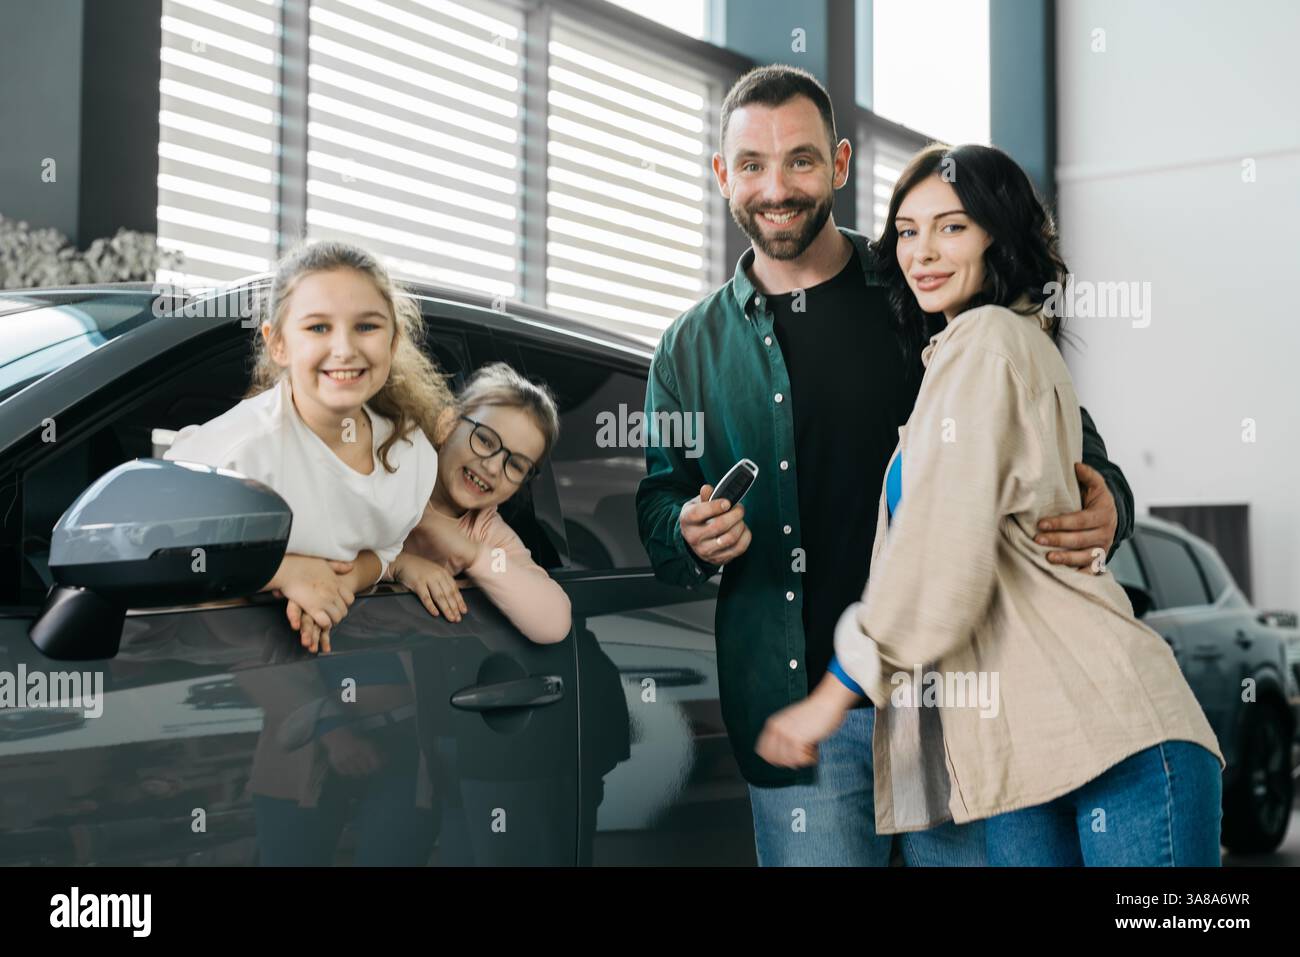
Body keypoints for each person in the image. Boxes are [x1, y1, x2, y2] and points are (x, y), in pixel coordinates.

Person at [636, 64, 1136, 866]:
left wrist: (1109, 494)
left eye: (799, 160)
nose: (777, 187)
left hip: (958, 705)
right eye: (753, 166)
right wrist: (686, 530)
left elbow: (1054, 421)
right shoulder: (688, 348)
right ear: (723, 175)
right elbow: (658, 501)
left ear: (837, 165)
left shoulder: (921, 286)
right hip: (801, 716)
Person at [756, 143, 1224, 866]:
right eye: (907, 231)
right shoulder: (960, 354)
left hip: (1113, 732)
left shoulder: (991, 343)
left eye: (952, 227)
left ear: (998, 235)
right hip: (1015, 756)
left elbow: (941, 554)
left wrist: (833, 692)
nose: (922, 252)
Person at [165, 239, 451, 654]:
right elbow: (162, 552)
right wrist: (283, 573)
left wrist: (342, 581)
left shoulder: (411, 453)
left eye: (367, 326)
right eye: (318, 327)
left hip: (343, 660)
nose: (344, 349)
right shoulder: (235, 450)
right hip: (212, 663)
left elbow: (386, 547)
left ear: (392, 342)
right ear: (278, 343)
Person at [392, 361, 572, 645]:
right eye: (486, 440)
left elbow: (555, 621)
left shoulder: (484, 531)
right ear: (447, 426)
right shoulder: (392, 471)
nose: (492, 467)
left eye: (515, 464)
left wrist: (473, 554)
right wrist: (400, 565)